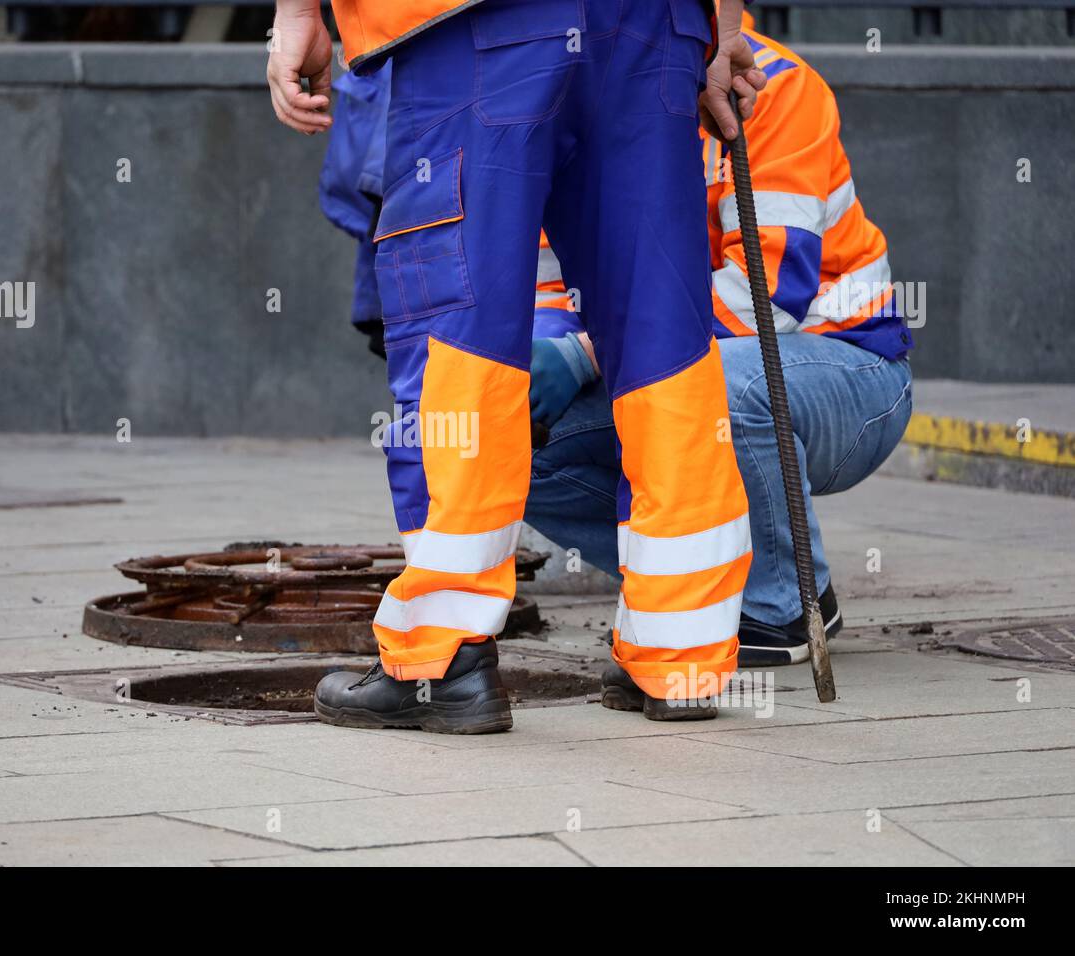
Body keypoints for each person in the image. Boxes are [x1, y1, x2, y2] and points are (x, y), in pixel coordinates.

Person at [271, 0, 766, 731]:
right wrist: (721, 28)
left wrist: (295, 14)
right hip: (650, 21)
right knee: (662, 331)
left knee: (460, 329)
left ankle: (445, 657)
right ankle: (681, 655)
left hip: (474, 24)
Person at [523, 19, 914, 670]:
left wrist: (587, 354)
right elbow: (552, 279)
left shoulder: (774, 86)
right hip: (670, 357)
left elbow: (769, 297)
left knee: (721, 382)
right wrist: (541, 359)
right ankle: (692, 586)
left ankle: (783, 601)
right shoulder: (580, 92)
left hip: (848, 365)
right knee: (518, 438)